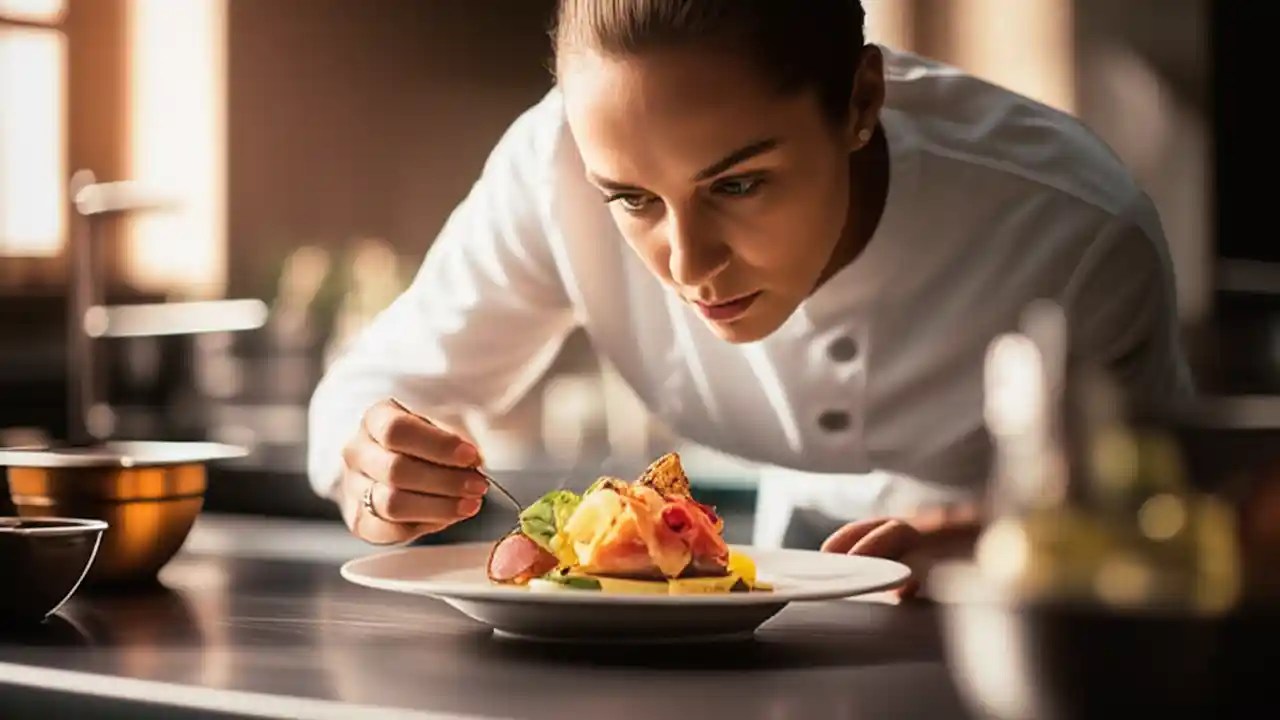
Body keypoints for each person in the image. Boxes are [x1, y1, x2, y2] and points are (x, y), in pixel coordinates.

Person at [307, 0, 1191, 597]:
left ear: (860, 102)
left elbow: (1174, 525)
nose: (689, 265)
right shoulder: (550, 173)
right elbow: (369, 396)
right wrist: (376, 469)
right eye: (632, 200)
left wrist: (1005, 540)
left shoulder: (1073, 231)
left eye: (739, 185)